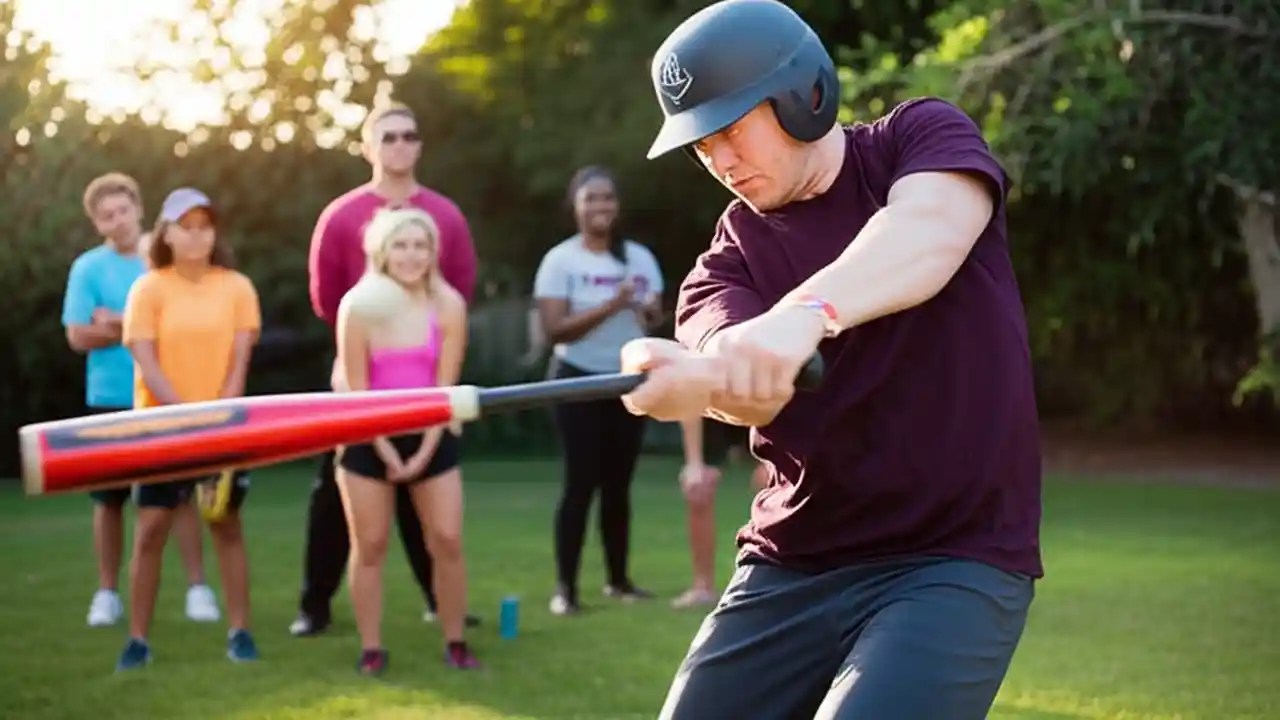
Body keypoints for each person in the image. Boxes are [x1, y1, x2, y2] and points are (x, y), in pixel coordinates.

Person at [621, 1, 1042, 718]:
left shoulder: (918, 138)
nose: (719, 161)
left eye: (730, 129)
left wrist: (805, 317)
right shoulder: (726, 264)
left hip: (953, 557)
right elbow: (742, 380)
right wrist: (695, 376)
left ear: (803, 94)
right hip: (790, 566)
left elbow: (931, 232)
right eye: (700, 145)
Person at [296, 101, 481, 637]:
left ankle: (443, 612)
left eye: (409, 135)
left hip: (425, 376)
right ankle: (315, 607)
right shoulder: (341, 215)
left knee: (434, 517)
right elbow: (328, 298)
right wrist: (369, 342)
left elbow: (459, 288)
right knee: (341, 508)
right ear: (369, 146)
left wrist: (418, 330)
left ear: (419, 145)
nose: (399, 145)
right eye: (389, 136)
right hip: (359, 379)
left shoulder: (445, 215)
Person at [61, 172, 220, 629]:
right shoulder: (88, 268)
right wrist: (129, 330)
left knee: (181, 495)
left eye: (123, 210)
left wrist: (117, 322)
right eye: (106, 216)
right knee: (109, 500)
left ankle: (198, 588)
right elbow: (77, 335)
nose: (118, 221)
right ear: (97, 224)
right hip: (109, 397)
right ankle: (107, 594)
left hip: (168, 395)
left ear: (139, 209)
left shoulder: (165, 259)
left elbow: (181, 322)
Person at [116, 187, 262, 671]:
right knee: (151, 530)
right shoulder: (148, 288)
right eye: (186, 225)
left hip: (223, 427)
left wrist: (219, 417)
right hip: (160, 428)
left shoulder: (237, 286)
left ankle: (240, 632)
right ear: (167, 233)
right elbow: (146, 361)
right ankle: (137, 639)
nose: (197, 235)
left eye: (205, 225)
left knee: (225, 524)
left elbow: (240, 359)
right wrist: (184, 417)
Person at [333, 207, 479, 674]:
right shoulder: (357, 305)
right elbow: (356, 391)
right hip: (366, 435)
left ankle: (456, 642)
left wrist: (420, 454)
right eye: (401, 245)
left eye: (421, 245)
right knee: (371, 544)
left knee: (448, 539)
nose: (411, 255)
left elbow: (447, 389)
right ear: (382, 250)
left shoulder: (449, 305)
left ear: (433, 252)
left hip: (432, 433)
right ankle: (371, 649)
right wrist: (387, 450)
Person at [531, 165, 667, 616]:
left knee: (618, 486)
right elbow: (553, 330)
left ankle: (618, 581)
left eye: (607, 198)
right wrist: (613, 304)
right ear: (576, 206)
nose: (601, 206)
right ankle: (565, 589)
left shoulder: (639, 259)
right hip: (577, 379)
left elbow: (655, 321)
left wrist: (646, 311)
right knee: (579, 485)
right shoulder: (561, 260)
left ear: (617, 205)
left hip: (626, 382)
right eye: (591, 198)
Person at [669, 416, 766, 610]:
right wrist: (694, 461)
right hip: (713, 408)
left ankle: (774, 577)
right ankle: (703, 587)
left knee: (772, 484)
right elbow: (691, 398)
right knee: (699, 485)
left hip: (760, 409)